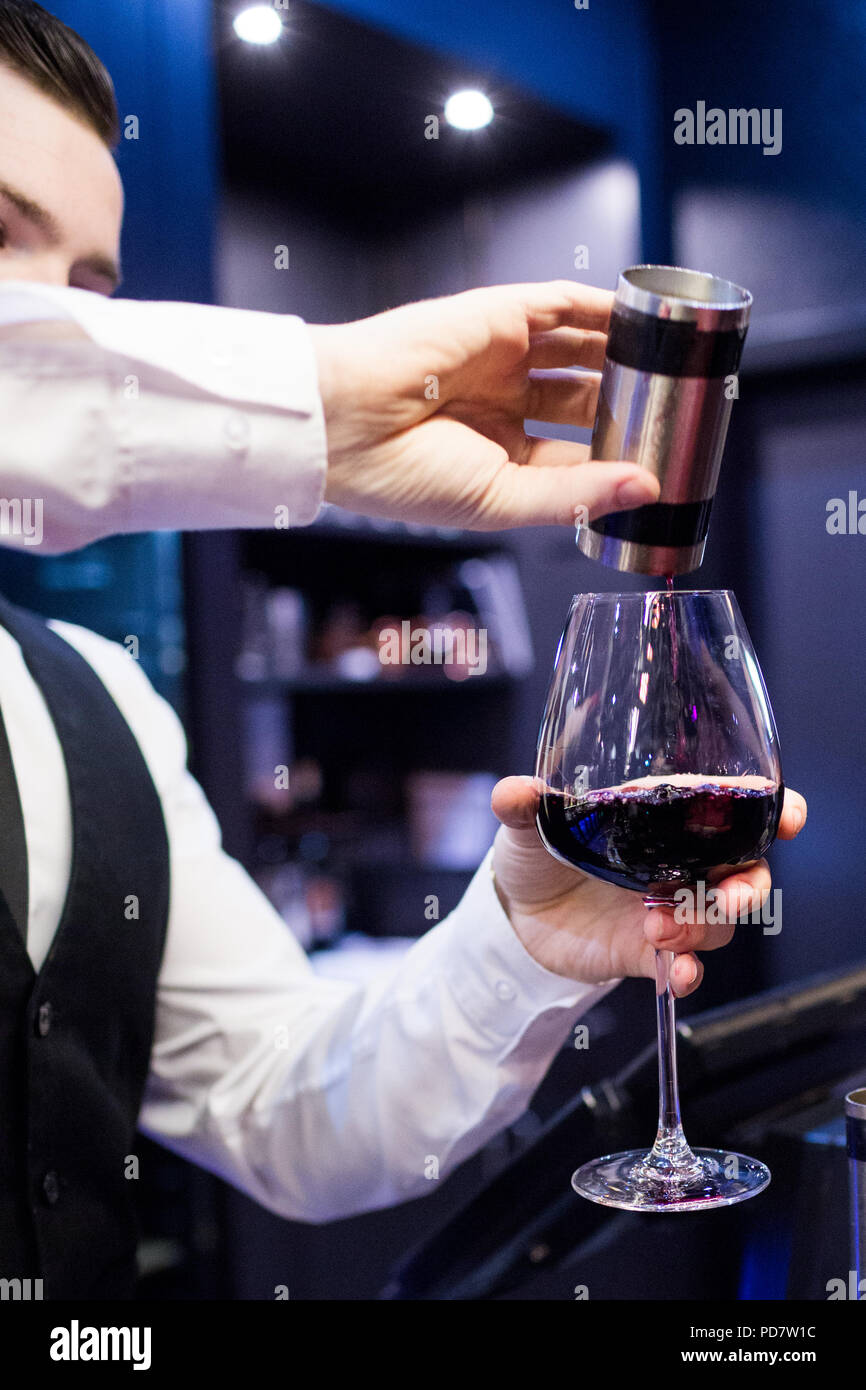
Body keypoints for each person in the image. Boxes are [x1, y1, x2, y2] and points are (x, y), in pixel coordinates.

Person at [0, 1, 806, 1299]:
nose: (62, 330)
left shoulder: (99, 706)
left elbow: (291, 1111)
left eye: (96, 292)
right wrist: (317, 406)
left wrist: (522, 945)